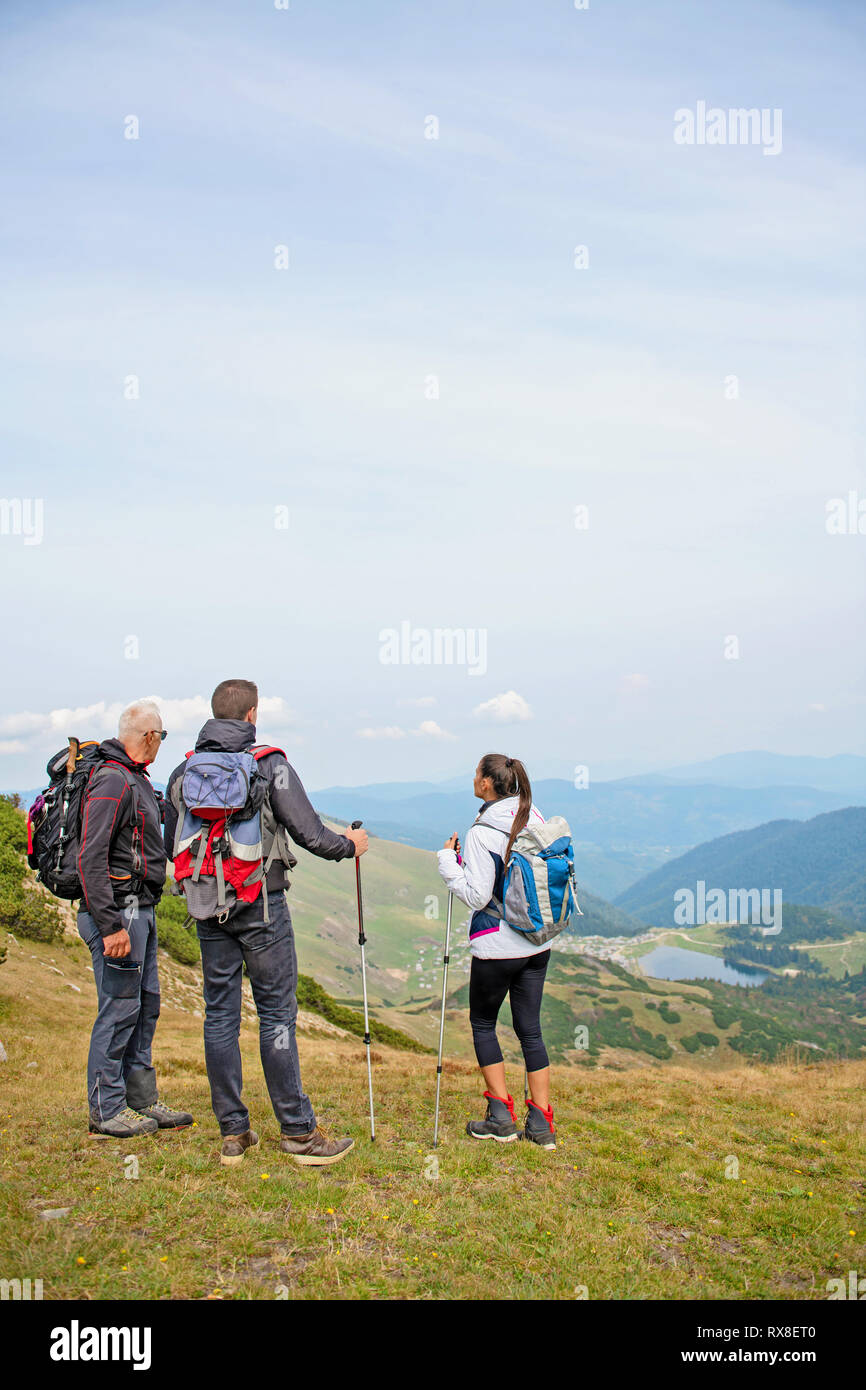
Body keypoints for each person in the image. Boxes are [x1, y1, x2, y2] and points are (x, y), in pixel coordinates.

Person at [163, 679, 368, 1168]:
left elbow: (172, 823)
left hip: (208, 905)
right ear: (252, 715)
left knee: (220, 1014)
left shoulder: (184, 769)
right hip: (262, 904)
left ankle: (234, 1133)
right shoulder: (269, 763)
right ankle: (298, 1134)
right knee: (276, 1016)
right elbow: (309, 832)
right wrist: (350, 846)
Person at [77, 700, 193, 1138]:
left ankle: (142, 1101)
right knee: (119, 1008)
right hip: (119, 913)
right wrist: (110, 927)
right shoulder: (112, 779)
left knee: (144, 1007)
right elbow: (91, 856)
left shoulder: (133, 778)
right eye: (161, 736)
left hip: (139, 909)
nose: (161, 744)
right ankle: (106, 1111)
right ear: (149, 737)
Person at [437, 753, 556, 1150]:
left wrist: (447, 864)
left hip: (498, 943)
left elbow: (476, 894)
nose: (473, 779)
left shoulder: (483, 830)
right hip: (539, 942)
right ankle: (541, 1124)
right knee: (531, 1030)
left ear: (487, 784)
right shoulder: (532, 815)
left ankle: (500, 1116)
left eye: (476, 774)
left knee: (484, 1025)